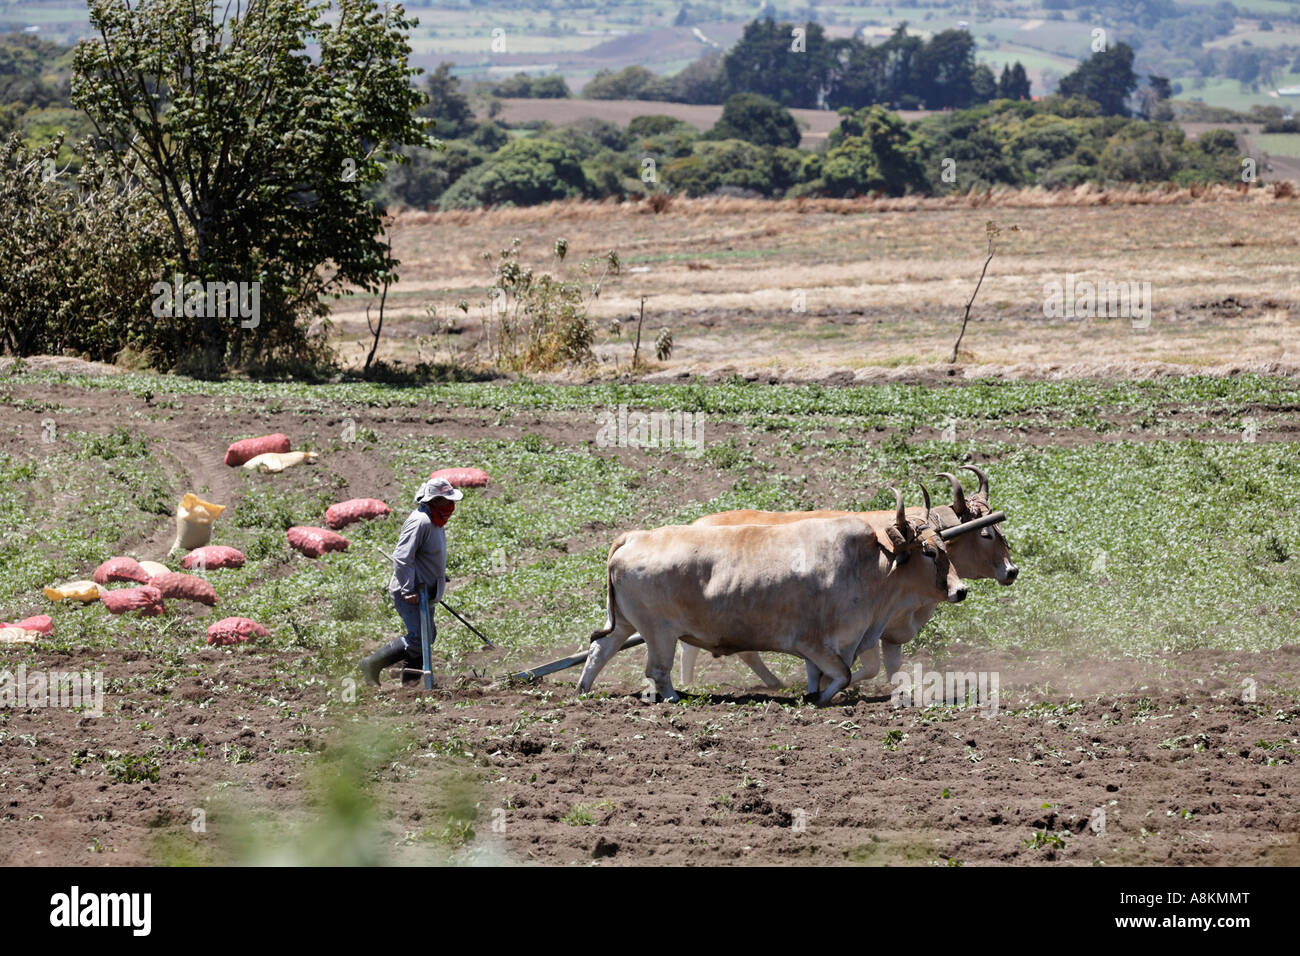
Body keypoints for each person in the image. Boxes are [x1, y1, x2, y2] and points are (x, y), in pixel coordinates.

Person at [360, 478, 462, 686]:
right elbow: (402, 557)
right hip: (413, 591)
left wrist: (437, 575)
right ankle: (373, 664)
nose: (451, 506)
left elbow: (425, 555)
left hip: (427, 589)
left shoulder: (436, 520)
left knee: (427, 636)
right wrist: (408, 589)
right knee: (419, 638)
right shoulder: (420, 521)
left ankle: (411, 684)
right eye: (446, 501)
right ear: (434, 500)